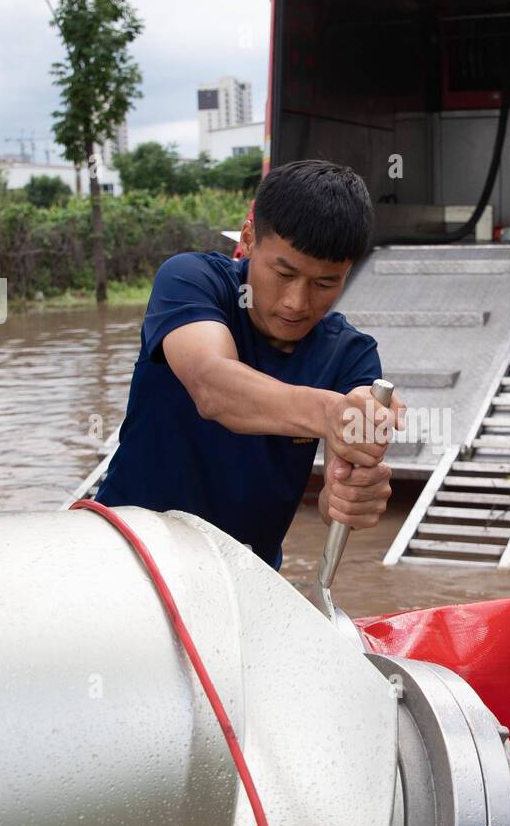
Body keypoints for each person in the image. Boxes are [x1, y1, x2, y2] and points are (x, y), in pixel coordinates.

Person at [96, 159, 403, 569]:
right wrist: (331, 412)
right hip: (124, 554)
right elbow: (212, 385)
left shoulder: (351, 355)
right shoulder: (192, 281)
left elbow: (333, 502)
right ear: (249, 238)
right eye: (284, 273)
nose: (296, 303)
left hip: (245, 575)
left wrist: (351, 497)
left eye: (325, 283)